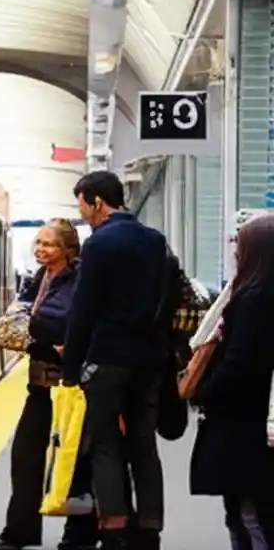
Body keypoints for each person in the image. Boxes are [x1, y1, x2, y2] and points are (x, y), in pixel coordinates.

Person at [63, 171, 169, 550]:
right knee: (143, 443)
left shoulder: (99, 244)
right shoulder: (155, 241)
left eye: (83, 205)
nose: (84, 214)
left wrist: (72, 368)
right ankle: (150, 526)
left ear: (96, 202)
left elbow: (83, 310)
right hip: (149, 359)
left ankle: (115, 528)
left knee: (105, 444)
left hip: (107, 358)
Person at [0, 219, 100, 550]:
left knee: (75, 461)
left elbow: (65, 323)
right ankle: (18, 531)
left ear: (67, 248)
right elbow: (18, 322)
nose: (40, 249)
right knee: (25, 458)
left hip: (71, 386)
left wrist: (37, 332)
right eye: (37, 243)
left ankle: (79, 533)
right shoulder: (37, 280)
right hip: (39, 384)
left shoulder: (78, 280)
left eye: (48, 244)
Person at [189, 214, 274, 547]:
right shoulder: (257, 293)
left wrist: (207, 391)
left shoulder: (255, 298)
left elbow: (242, 361)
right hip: (249, 420)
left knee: (250, 514)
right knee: (248, 512)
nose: (234, 251)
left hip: (244, 424)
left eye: (240, 243)